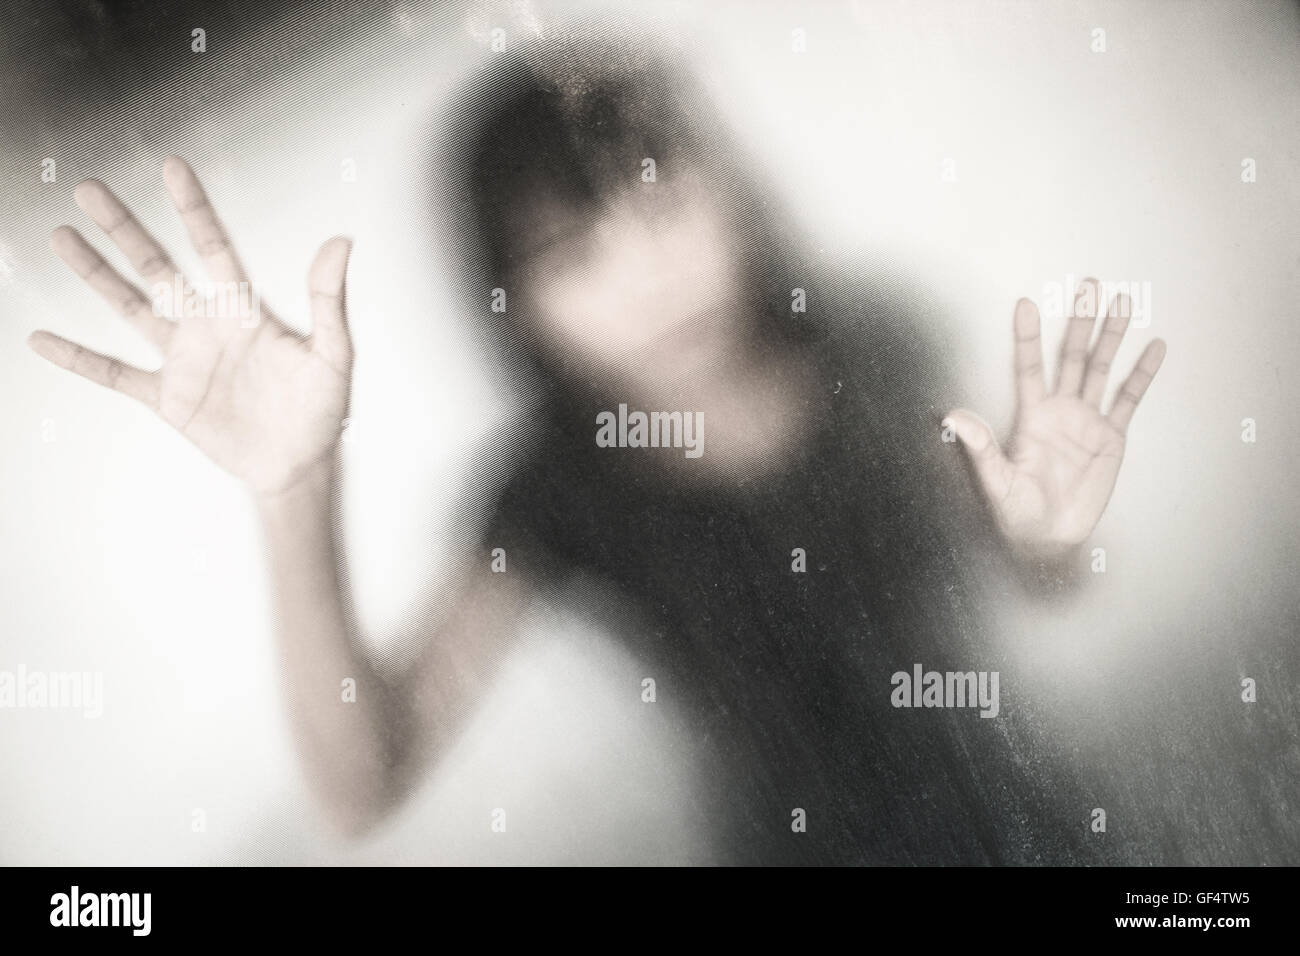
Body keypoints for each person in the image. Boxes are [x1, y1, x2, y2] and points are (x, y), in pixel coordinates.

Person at [26, 46, 1165, 864]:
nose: (647, 279)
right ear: (520, 308)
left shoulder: (875, 349)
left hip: (1031, 825)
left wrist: (1057, 544)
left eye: (661, 206)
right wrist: (294, 488)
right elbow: (363, 784)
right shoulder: (557, 493)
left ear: (732, 192)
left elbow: (1035, 575)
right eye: (575, 254)